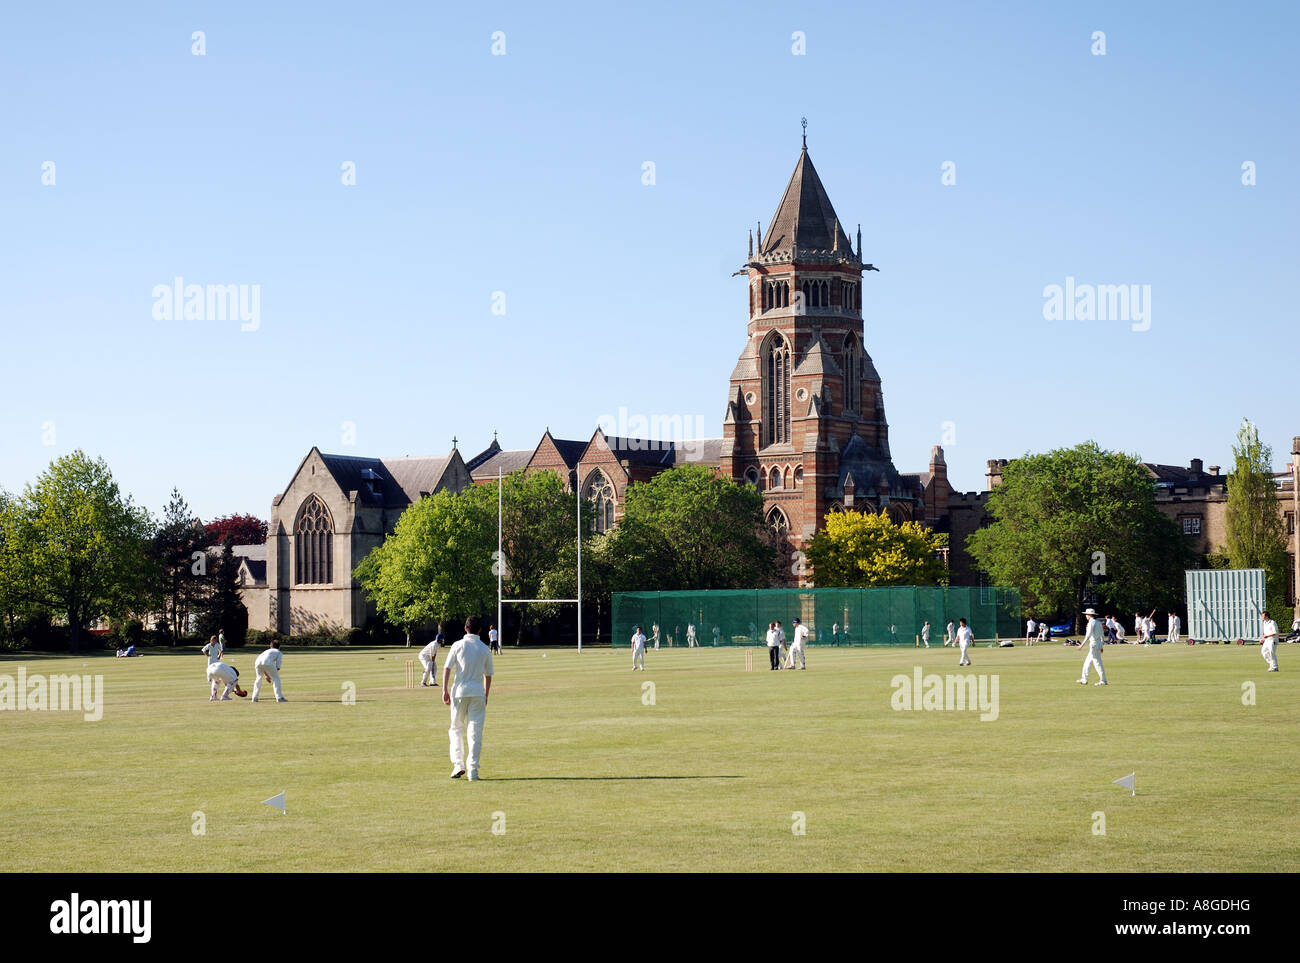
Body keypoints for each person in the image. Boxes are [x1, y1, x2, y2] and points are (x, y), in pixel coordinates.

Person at [442, 616, 494, 781]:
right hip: (477, 692)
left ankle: (458, 765)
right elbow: (488, 675)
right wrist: (486, 694)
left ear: (466, 628)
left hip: (459, 692)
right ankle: (473, 771)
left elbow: (447, 668)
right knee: (475, 733)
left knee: (456, 729)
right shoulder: (484, 648)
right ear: (479, 630)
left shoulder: (458, 645)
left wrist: (444, 690)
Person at [1077, 607, 1108, 686]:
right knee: (1087, 662)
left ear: (1089, 615)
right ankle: (1084, 679)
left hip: (1094, 644)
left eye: (1086, 614)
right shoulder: (1098, 622)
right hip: (1097, 644)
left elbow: (1088, 635)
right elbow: (1102, 635)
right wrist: (1101, 646)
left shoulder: (1092, 622)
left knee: (1097, 663)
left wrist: (1082, 644)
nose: (1086, 616)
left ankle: (1103, 680)